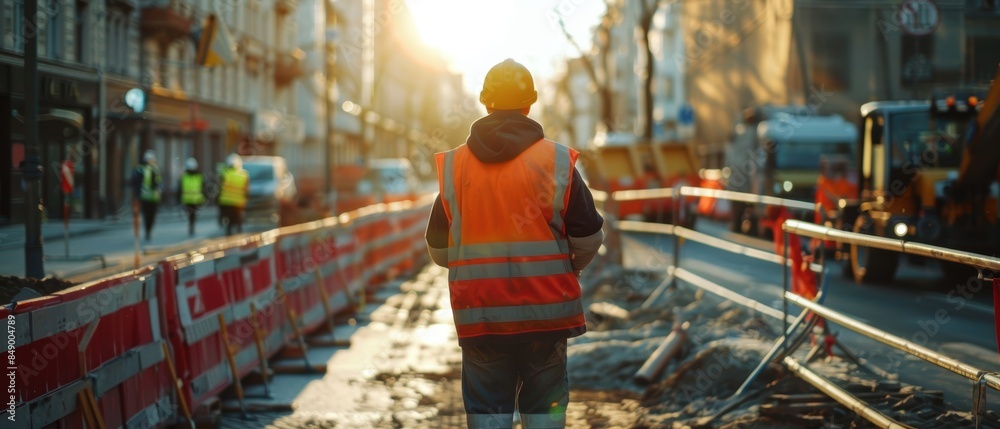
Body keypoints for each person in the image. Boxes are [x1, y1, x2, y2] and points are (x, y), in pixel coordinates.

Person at [425, 58, 604, 429]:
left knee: (488, 411)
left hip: (481, 315)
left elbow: (439, 250)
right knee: (544, 409)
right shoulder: (555, 160)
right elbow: (589, 236)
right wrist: (569, 267)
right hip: (547, 313)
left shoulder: (456, 166)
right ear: (530, 103)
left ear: (485, 102)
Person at [132, 149, 162, 241]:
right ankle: (148, 231)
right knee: (151, 215)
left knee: (146, 215)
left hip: (144, 197)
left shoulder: (140, 169)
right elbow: (158, 183)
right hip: (152, 197)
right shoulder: (154, 169)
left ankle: (147, 230)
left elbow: (135, 183)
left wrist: (137, 194)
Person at [218, 153, 249, 236]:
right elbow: (246, 190)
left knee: (228, 220)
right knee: (238, 220)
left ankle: (228, 231)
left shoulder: (224, 174)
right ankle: (239, 233)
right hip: (238, 203)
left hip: (225, 202)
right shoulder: (244, 174)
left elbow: (219, 188)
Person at [178, 157, 206, 236]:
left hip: (191, 200)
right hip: (191, 200)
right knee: (192, 215)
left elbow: (203, 188)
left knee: (192, 215)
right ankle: (191, 226)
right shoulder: (197, 176)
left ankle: (191, 226)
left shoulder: (186, 177)